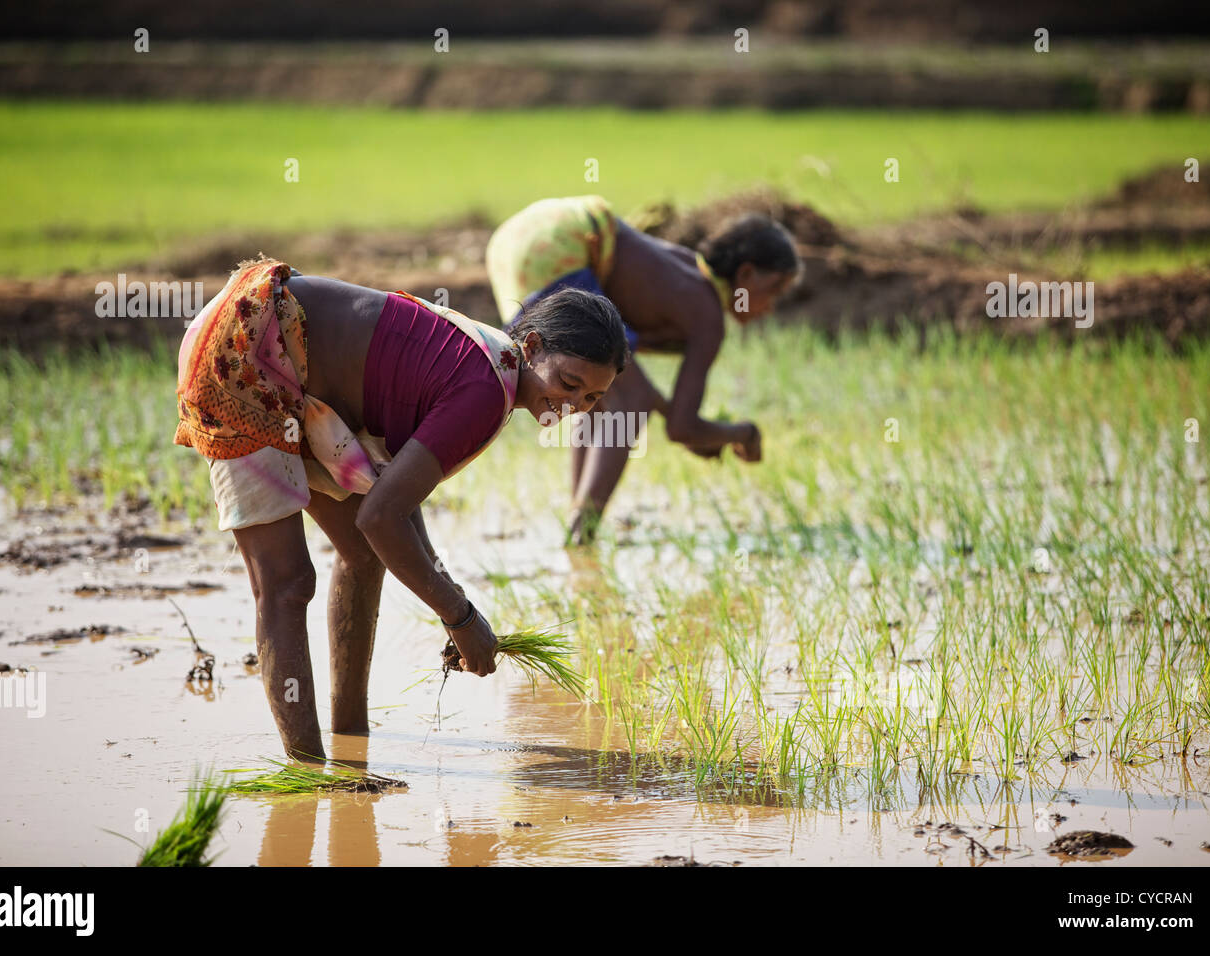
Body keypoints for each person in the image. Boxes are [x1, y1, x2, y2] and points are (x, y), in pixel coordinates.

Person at [174, 257, 627, 760]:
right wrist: (459, 617)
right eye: (568, 384)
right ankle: (306, 772)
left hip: (297, 365)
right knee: (286, 583)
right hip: (246, 347)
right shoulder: (484, 391)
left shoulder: (493, 365)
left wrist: (451, 596)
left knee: (363, 557)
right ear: (534, 346)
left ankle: (349, 744)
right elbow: (380, 518)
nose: (573, 406)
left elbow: (394, 500)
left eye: (591, 398)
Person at [486, 195, 801, 543]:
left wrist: (680, 420)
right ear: (746, 273)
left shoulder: (687, 272)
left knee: (597, 395)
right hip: (560, 245)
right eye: (773, 291)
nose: (769, 307)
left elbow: (649, 403)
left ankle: (578, 525)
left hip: (517, 241)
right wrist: (743, 433)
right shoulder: (708, 317)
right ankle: (582, 535)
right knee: (627, 403)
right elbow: (682, 427)